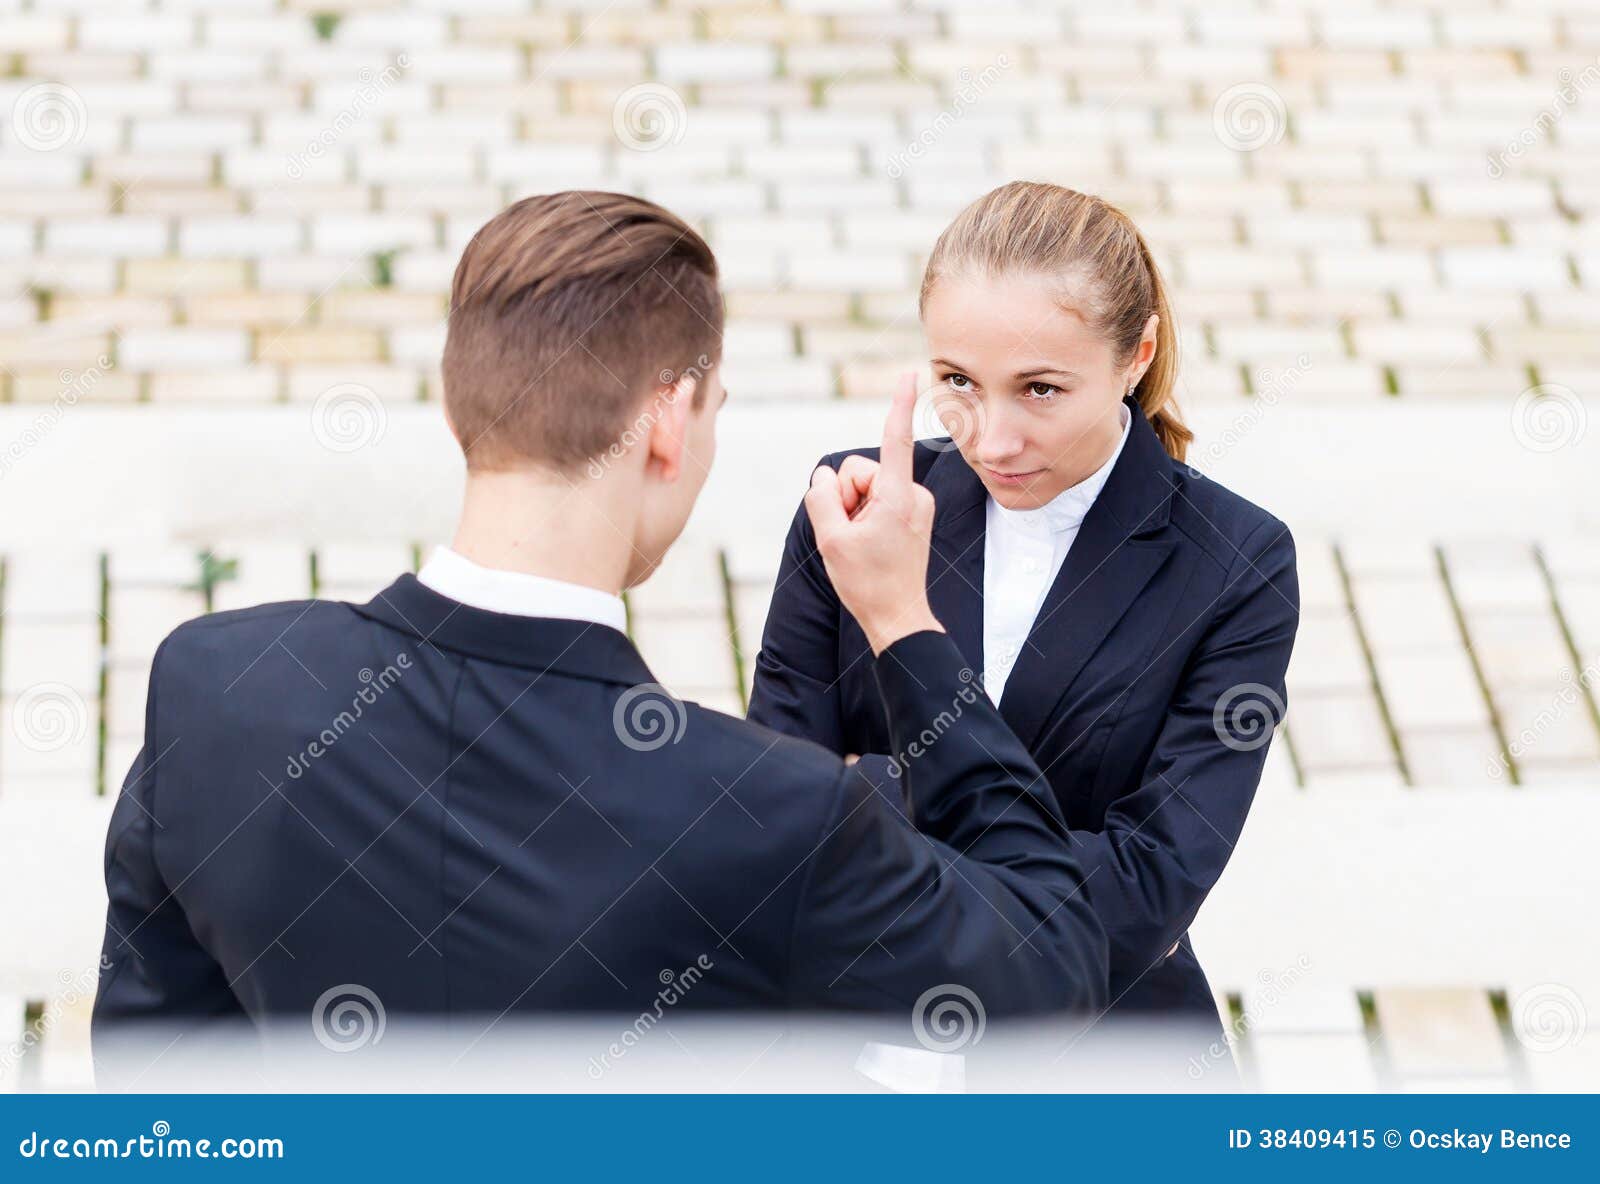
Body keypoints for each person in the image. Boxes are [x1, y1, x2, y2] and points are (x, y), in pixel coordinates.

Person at [91, 192, 1107, 1061]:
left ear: (460, 405)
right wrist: (905, 625)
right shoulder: (774, 813)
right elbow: (1053, 955)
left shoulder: (215, 686)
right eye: (712, 410)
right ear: (667, 424)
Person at [748, 181, 1300, 1026]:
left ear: (1137, 356)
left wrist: (896, 657)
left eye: (1040, 389)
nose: (992, 440)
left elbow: (1148, 892)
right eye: (957, 380)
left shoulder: (1235, 565)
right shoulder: (854, 508)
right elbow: (777, 830)